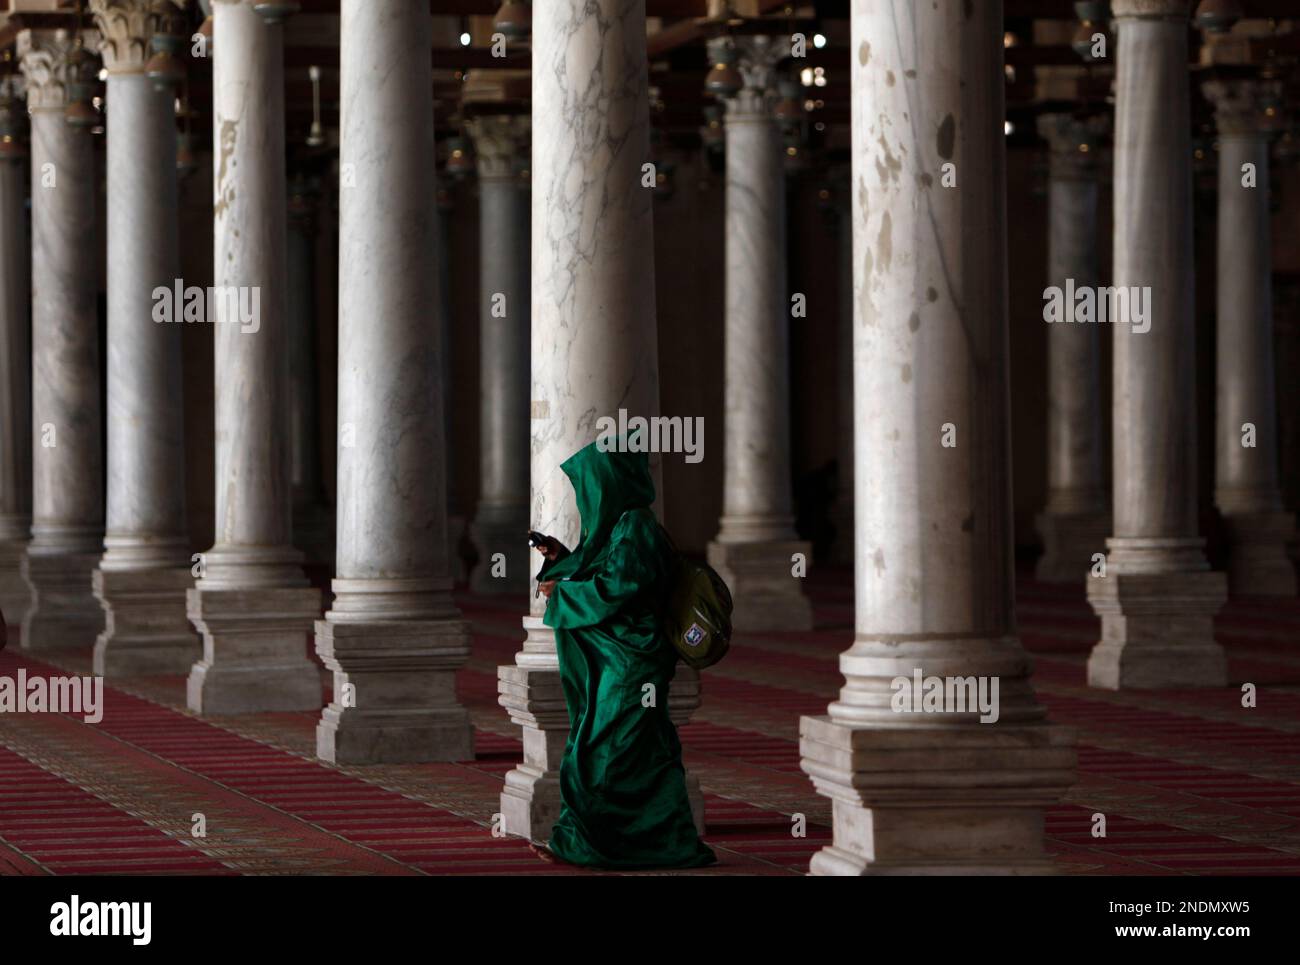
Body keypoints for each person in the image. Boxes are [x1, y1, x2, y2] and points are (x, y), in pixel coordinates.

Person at [530, 437, 715, 870]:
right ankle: (646, 844)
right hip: (623, 659)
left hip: (632, 663)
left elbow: (617, 589)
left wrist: (562, 593)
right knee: (639, 751)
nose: (586, 500)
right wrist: (562, 559)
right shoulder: (622, 525)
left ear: (608, 484)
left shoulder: (636, 526)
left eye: (590, 488)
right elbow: (606, 572)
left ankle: (601, 843)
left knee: (604, 749)